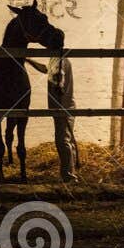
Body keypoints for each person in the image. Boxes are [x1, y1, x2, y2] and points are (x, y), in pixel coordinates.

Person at [46, 33, 79, 182]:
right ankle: (69, 172)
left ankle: (69, 176)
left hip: (62, 106)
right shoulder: (57, 58)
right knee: (66, 139)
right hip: (62, 105)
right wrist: (28, 60)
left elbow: (59, 76)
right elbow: (48, 71)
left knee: (63, 141)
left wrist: (58, 84)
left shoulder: (59, 60)